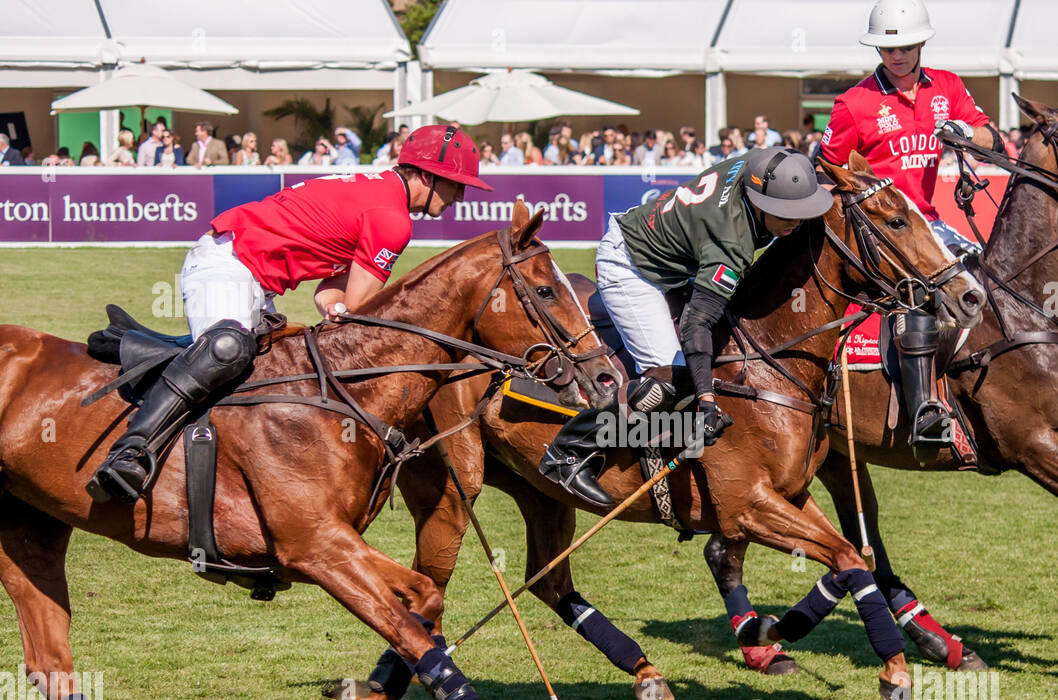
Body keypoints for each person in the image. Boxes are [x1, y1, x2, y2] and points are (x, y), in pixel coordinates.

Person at [88, 125, 492, 502]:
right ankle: (130, 452)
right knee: (226, 352)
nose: (461, 196)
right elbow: (362, 310)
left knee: (265, 376)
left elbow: (330, 296)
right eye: (457, 185)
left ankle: (138, 347)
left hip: (251, 277)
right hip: (231, 264)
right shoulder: (391, 219)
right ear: (426, 175)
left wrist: (338, 309)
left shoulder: (381, 196)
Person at [538, 147, 833, 508]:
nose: (795, 222)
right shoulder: (732, 242)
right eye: (785, 214)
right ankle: (568, 452)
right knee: (667, 381)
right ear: (759, 201)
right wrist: (707, 401)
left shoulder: (762, 165)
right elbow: (697, 323)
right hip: (632, 265)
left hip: (678, 257)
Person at [818, 0, 1004, 461]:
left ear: (921, 42)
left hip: (929, 223)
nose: (895, 55)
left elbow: (992, 140)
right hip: (880, 234)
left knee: (992, 280)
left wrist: (963, 131)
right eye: (886, 47)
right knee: (917, 294)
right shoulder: (854, 104)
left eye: (902, 45)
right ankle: (925, 411)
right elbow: (826, 169)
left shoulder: (948, 87)